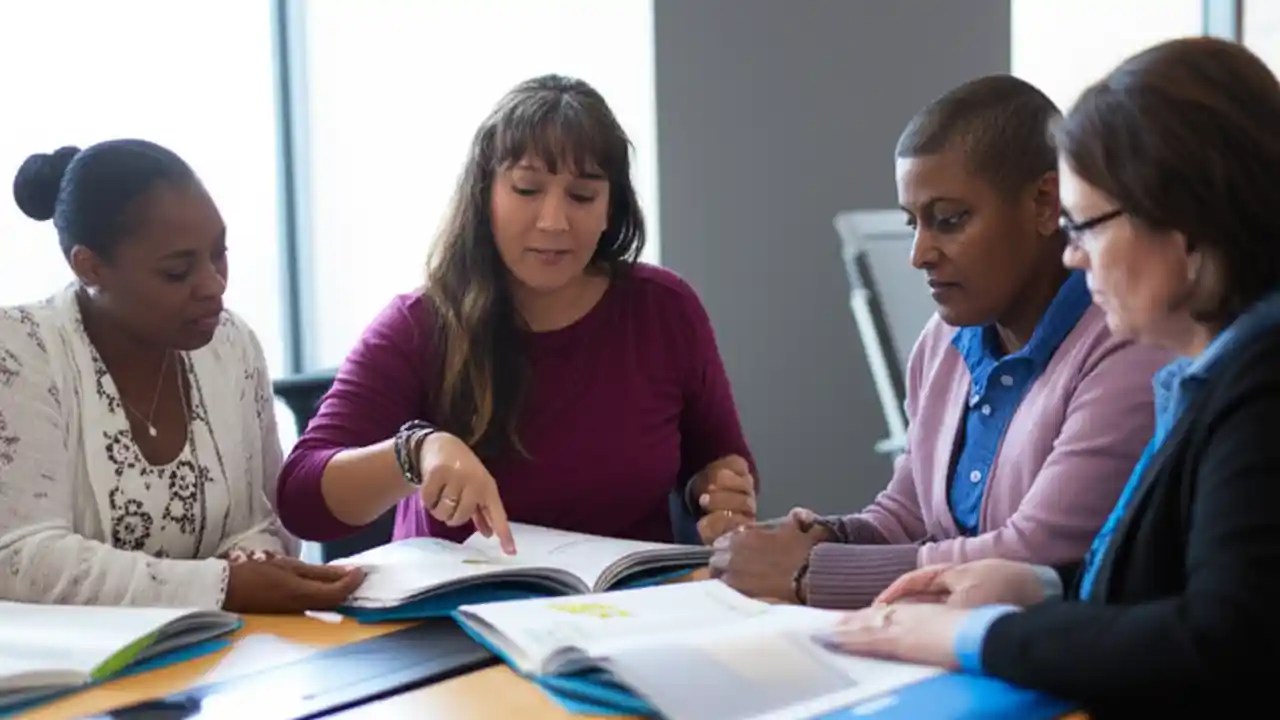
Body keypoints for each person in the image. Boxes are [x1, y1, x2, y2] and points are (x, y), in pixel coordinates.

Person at [821, 38, 1280, 714]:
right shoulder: (1215, 375)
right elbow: (1189, 592)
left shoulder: (1263, 388)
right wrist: (1042, 588)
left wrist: (979, 634)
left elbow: (1220, 645)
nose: (1072, 256)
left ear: (1184, 225)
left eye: (1086, 227)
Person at [710, 75, 1170, 607]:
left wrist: (811, 573)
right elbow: (907, 516)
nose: (920, 254)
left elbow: (1037, 551)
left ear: (1046, 204)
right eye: (913, 224)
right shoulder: (943, 341)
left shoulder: (1125, 343)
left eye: (949, 221)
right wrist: (819, 536)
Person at [276, 75, 755, 552]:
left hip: (626, 614)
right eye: (527, 190)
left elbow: (718, 464)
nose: (553, 221)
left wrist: (715, 493)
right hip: (455, 617)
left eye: (582, 196)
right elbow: (300, 497)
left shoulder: (665, 310)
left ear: (611, 207)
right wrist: (414, 453)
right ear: (486, 195)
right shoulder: (420, 324)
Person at [0, 140, 363, 611]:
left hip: (222, 654)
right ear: (89, 266)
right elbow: (21, 559)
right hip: (73, 676)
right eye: (177, 271)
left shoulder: (230, 344)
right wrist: (222, 586)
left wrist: (257, 563)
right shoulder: (22, 350)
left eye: (219, 254)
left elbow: (266, 523)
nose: (213, 285)